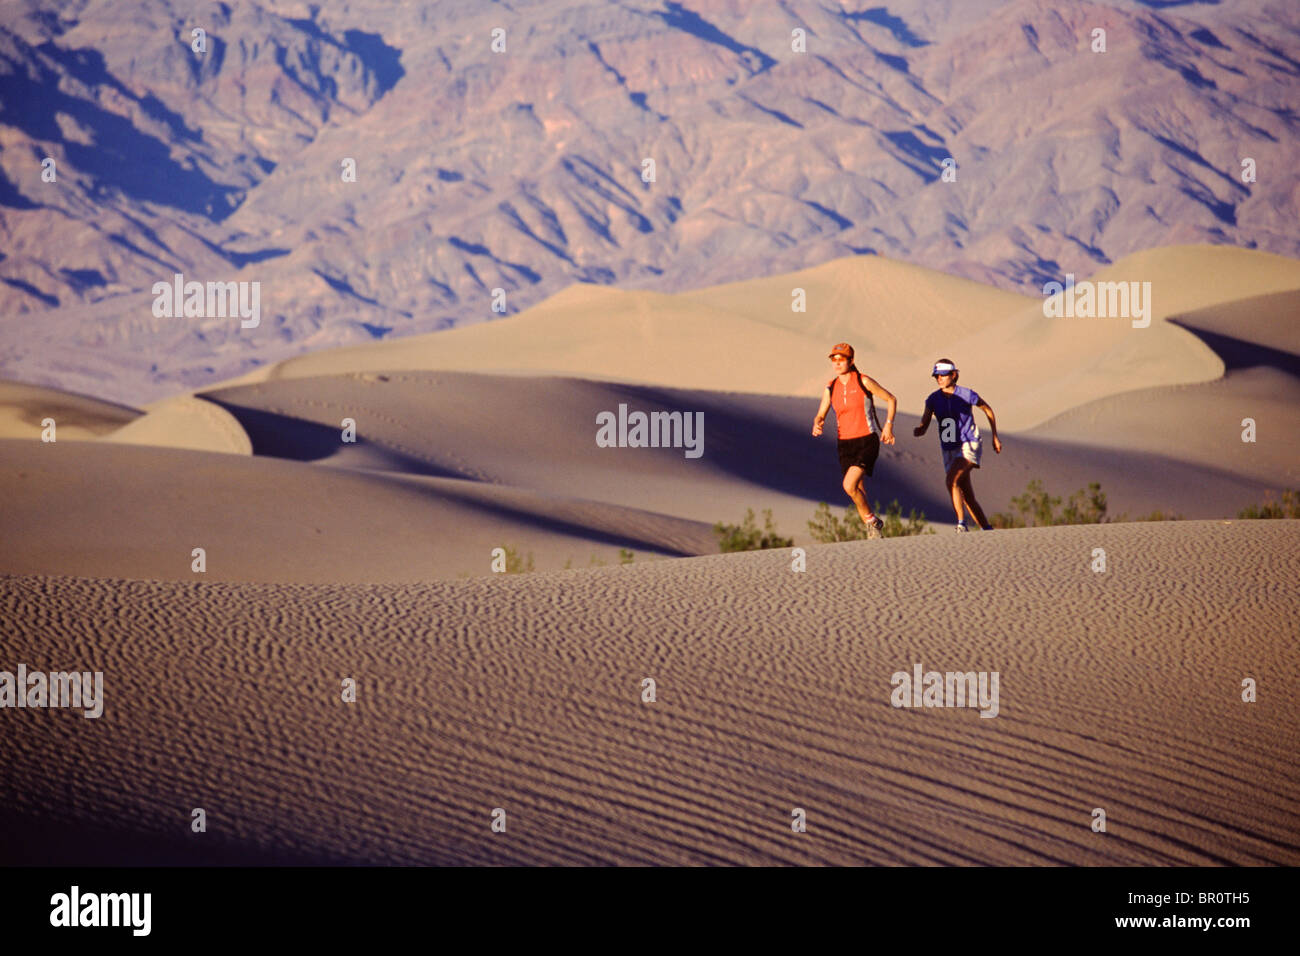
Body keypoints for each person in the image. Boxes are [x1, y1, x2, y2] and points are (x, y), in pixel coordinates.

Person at [811, 343, 897, 539]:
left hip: (867, 440)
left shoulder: (863, 381)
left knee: (848, 485)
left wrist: (888, 425)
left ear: (851, 361)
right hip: (844, 444)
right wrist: (818, 423)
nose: (837, 363)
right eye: (834, 359)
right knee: (857, 489)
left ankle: (872, 521)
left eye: (841, 359)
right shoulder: (830, 387)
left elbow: (891, 399)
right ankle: (873, 531)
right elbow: (820, 414)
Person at [913, 358, 1001, 532]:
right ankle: (987, 529)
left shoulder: (967, 394)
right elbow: (925, 422)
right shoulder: (932, 399)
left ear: (953, 375)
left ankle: (961, 524)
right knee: (966, 495)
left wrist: (995, 436)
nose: (939, 379)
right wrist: (920, 430)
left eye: (943, 375)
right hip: (949, 449)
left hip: (969, 443)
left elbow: (987, 409)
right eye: (936, 376)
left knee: (951, 481)